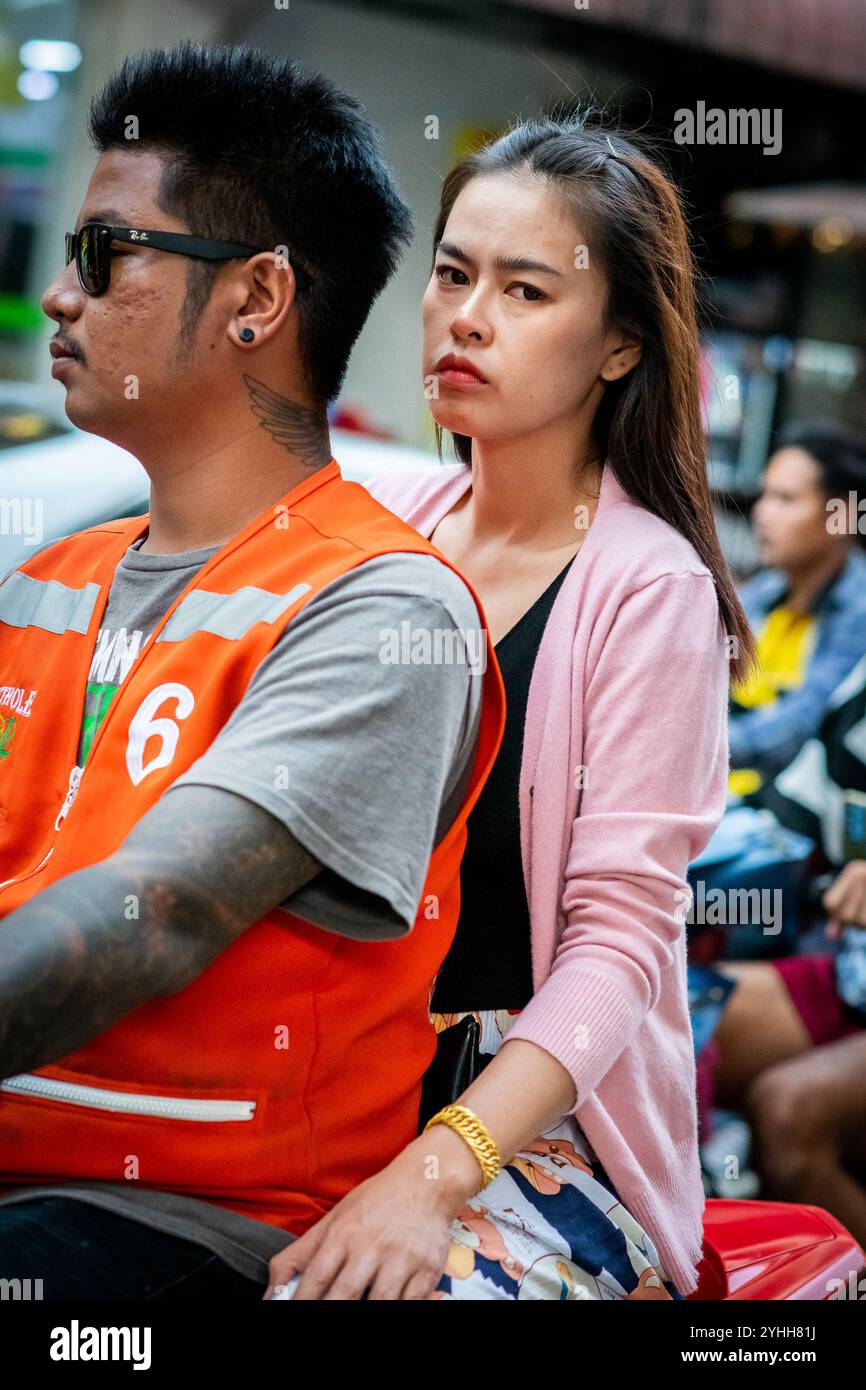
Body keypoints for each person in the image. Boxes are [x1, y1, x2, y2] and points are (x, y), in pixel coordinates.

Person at [0, 43, 507, 1299]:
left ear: (256, 297)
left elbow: (158, 911)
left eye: (106, 254)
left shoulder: (383, 607)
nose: (61, 297)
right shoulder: (48, 576)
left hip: (181, 1230)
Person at [265, 115, 751, 1302]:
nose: (466, 315)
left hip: (535, 1127)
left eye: (525, 289)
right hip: (338, 1079)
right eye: (451, 274)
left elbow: (620, 943)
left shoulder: (651, 590)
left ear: (620, 346)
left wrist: (436, 1173)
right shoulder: (389, 538)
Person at [711, 650, 866, 1248]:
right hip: (850, 982)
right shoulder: (859, 688)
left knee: (788, 1109)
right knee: (667, 1016)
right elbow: (786, 817)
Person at [728, 423, 866, 798]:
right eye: (765, 494)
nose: (761, 512)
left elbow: (805, 723)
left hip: (782, 824)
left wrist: (700, 748)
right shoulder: (764, 592)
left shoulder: (858, 612)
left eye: (786, 499)